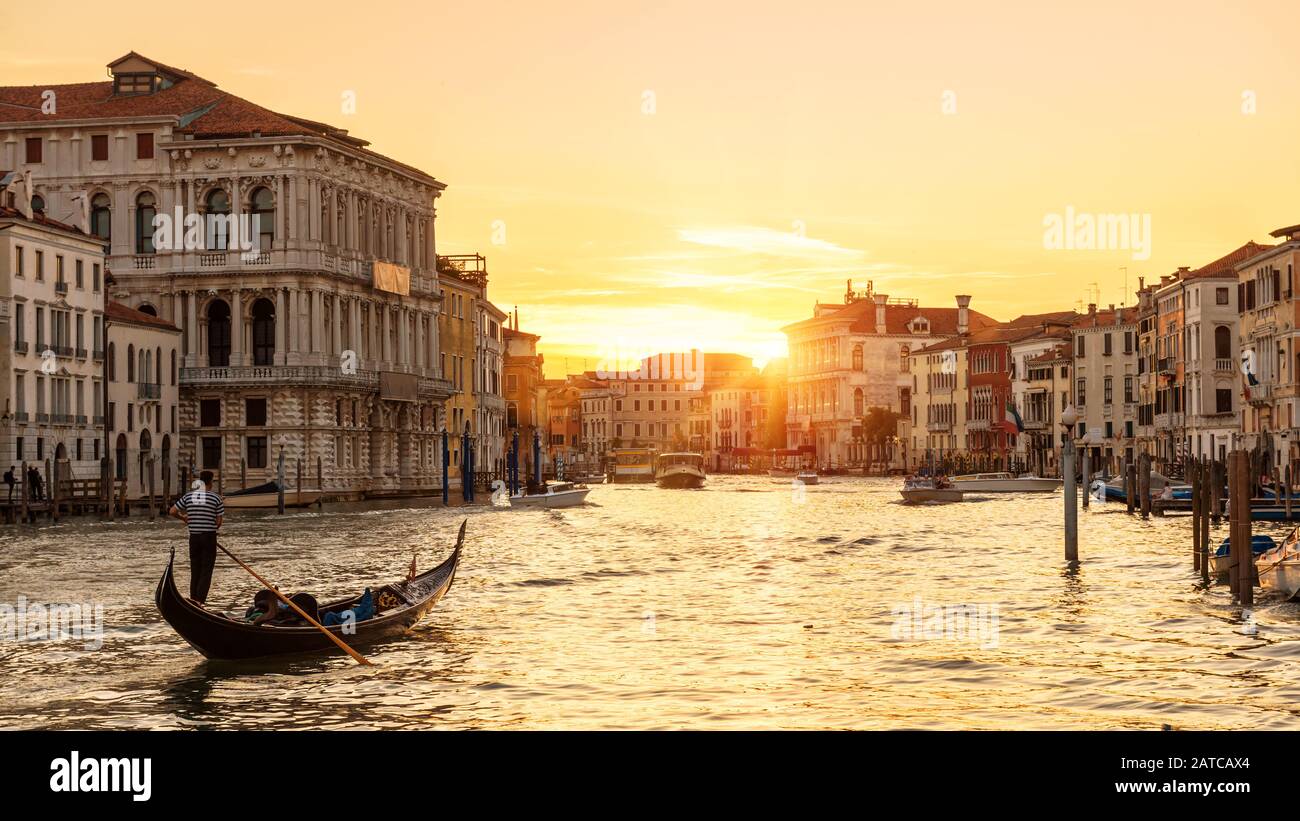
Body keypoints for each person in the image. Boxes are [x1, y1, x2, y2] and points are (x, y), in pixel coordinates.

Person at [169, 470, 225, 604]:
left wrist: (184, 518)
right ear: (211, 482)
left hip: (194, 538)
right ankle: (200, 602)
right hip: (209, 537)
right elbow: (218, 523)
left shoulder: (189, 497)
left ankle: (193, 600)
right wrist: (210, 524)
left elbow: (172, 511)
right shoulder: (216, 498)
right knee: (206, 571)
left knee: (195, 570)